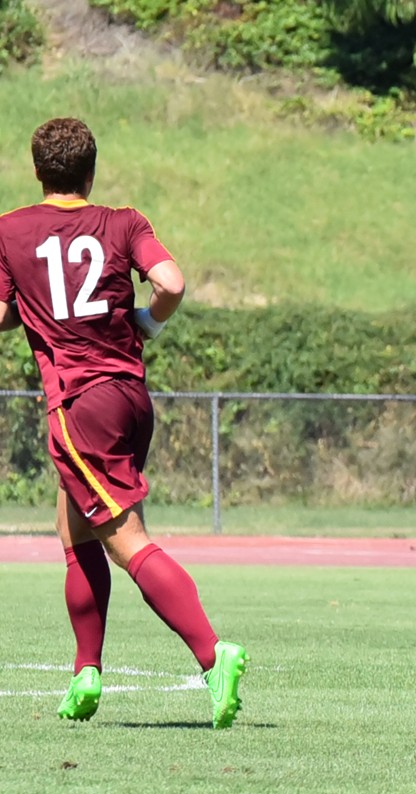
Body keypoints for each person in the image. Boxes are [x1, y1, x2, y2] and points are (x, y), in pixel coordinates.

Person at [0, 117, 248, 729]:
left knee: (123, 539)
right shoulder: (123, 221)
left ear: (38, 172)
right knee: (74, 528)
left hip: (79, 402)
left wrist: (35, 313)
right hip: (129, 396)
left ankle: (215, 655)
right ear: (91, 171)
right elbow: (170, 282)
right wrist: (147, 322)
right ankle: (87, 673)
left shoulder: (10, 231)